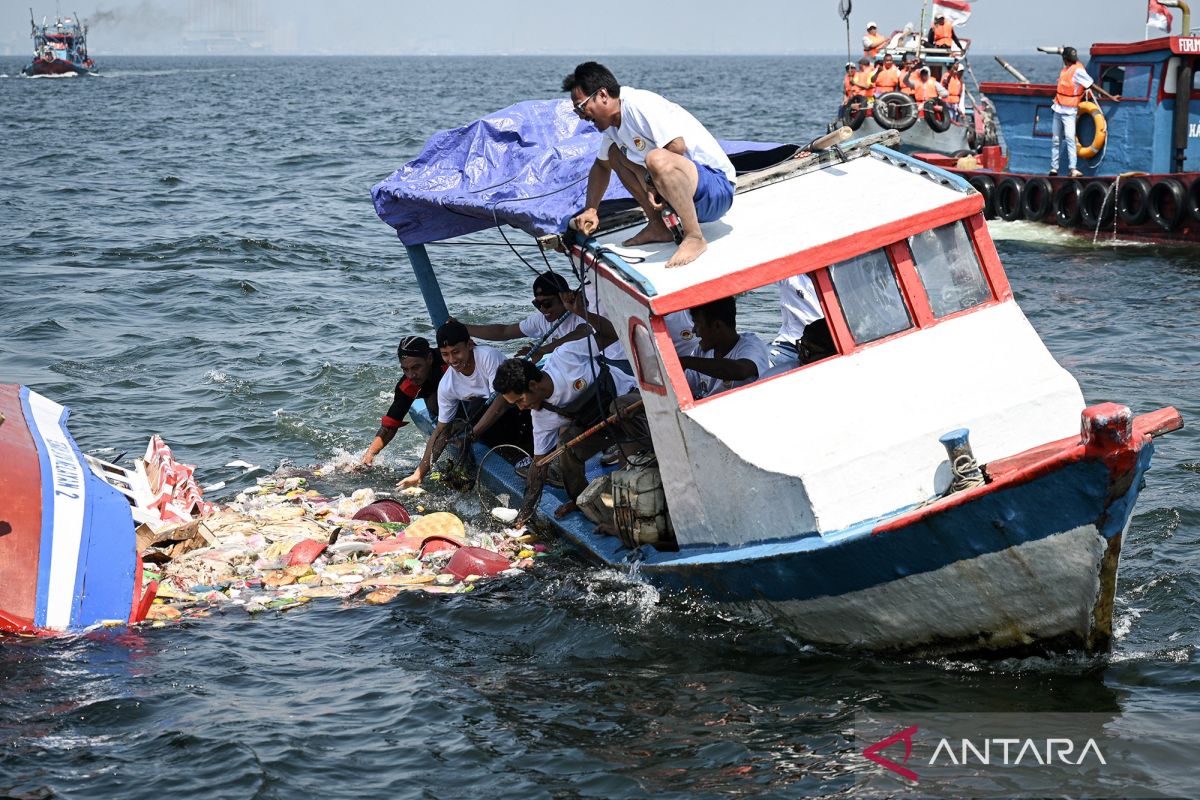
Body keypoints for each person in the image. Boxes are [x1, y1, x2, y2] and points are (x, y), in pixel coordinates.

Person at [563, 61, 736, 268]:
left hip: (716, 189)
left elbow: (677, 146)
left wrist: (651, 183)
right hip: (685, 194)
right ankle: (658, 225)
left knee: (656, 158)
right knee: (614, 154)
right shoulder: (612, 126)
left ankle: (694, 237)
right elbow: (601, 167)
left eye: (582, 108)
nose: (583, 117)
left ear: (602, 95)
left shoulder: (638, 104)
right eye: (577, 112)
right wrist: (591, 209)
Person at [493, 342, 645, 525]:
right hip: (601, 424)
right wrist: (525, 512)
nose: (521, 407)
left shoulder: (565, 356)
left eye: (520, 400)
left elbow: (609, 335)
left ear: (533, 385)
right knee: (566, 448)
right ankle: (583, 500)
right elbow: (539, 465)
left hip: (633, 402)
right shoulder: (541, 417)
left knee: (618, 411)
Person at [398, 319, 531, 489]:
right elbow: (441, 431)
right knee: (462, 420)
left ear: (469, 345)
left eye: (456, 352)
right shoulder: (447, 385)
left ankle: (526, 452)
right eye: (445, 354)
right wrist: (419, 474)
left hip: (520, 409)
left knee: (478, 407)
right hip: (491, 424)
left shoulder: (488, 356)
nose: (452, 360)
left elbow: (502, 401)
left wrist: (471, 435)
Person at [359, 336, 447, 468]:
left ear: (429, 358)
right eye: (405, 369)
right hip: (438, 401)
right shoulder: (408, 385)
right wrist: (369, 455)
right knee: (435, 404)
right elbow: (390, 425)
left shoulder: (449, 360)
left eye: (416, 367)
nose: (411, 375)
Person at [464, 271, 593, 361]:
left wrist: (542, 350)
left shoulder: (583, 311)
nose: (542, 309)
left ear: (564, 296)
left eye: (547, 303)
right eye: (537, 304)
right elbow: (503, 332)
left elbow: (582, 332)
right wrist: (463, 328)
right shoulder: (541, 319)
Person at [679, 297, 771, 400]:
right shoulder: (700, 351)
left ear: (717, 326)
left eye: (698, 324)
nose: (694, 330)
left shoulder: (752, 345)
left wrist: (686, 362)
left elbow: (741, 370)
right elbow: (687, 386)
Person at [1050, 46, 1118, 177]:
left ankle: (1073, 169)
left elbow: (1092, 85)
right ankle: (1054, 168)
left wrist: (1110, 97)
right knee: (1056, 140)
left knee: (1070, 138)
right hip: (1058, 108)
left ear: (1065, 59)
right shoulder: (1066, 69)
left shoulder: (1078, 70)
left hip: (1069, 111)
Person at [769, 274, 824, 370]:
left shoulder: (840, 273)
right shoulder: (792, 276)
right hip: (789, 344)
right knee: (757, 365)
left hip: (826, 347)